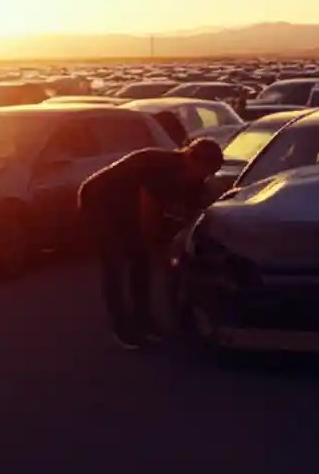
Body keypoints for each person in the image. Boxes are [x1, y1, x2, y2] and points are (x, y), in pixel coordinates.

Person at [78, 138, 224, 349]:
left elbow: (196, 211)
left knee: (141, 259)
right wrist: (161, 245)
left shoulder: (194, 179)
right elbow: (150, 212)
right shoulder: (159, 167)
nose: (204, 177)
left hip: (127, 205)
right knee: (115, 261)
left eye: (209, 174)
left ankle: (144, 319)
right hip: (99, 199)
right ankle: (122, 327)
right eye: (203, 170)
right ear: (190, 159)